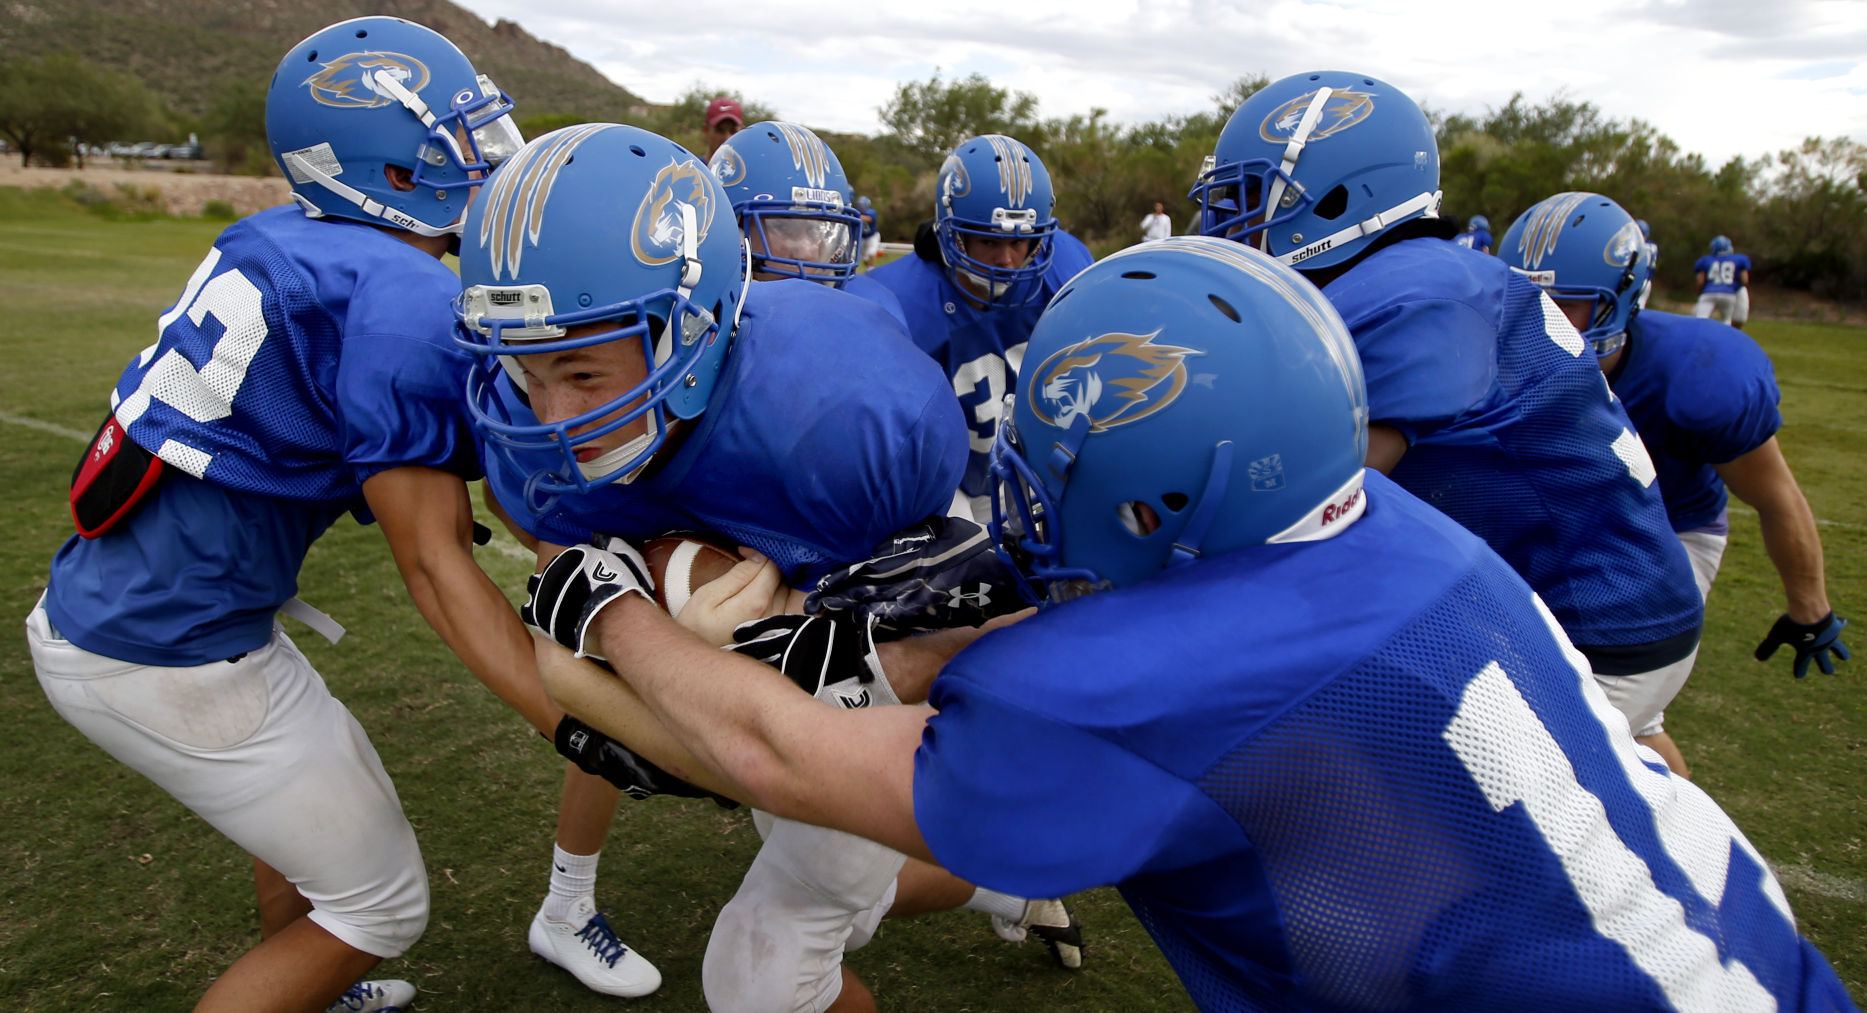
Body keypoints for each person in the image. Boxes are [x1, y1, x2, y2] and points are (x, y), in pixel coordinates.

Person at [519, 236, 1858, 1012]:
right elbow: (1216, 629)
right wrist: (896, 637)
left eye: (1057, 459)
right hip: (1741, 961)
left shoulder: (1128, 683)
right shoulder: (1420, 537)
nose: (1030, 493)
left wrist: (620, 618)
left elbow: (778, 759)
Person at [454, 122, 1079, 1013]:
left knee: (803, 918)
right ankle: (1005, 876)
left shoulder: (844, 420)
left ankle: (1006, 869)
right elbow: (563, 603)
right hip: (756, 652)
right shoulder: (526, 427)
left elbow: (906, 647)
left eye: (584, 374)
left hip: (858, 603)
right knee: (815, 853)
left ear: (692, 324)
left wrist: (731, 636)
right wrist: (678, 602)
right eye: (523, 370)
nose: (546, 415)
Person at [23, 17, 573, 1012]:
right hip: (162, 647)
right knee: (380, 905)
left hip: (139, 605)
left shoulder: (283, 233)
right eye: (457, 141)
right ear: (389, 175)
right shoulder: (400, 296)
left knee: (315, 833)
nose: (488, 156)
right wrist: (577, 728)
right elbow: (439, 566)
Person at [1191, 71, 1705, 776]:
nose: (1231, 224)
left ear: (1346, 195)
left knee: (1419, 808)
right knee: (1636, 753)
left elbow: (1312, 501)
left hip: (1588, 615)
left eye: (1255, 200)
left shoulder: (1406, 294)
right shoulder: (1432, 273)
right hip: (1624, 588)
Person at [1499, 192, 1848, 707]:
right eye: (1527, 301)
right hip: (1572, 522)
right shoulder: (1494, 354)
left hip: (1674, 526)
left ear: (1623, 296)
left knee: (1583, 706)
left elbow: (1776, 497)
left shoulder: (1698, 376)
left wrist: (1809, 608)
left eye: (1564, 303)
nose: (1540, 321)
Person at [868, 134, 1096, 522]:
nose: (1006, 259)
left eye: (1020, 240)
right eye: (988, 240)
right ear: (952, 232)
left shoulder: (1066, 269)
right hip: (945, 483)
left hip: (1042, 466)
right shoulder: (898, 301)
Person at [708, 120, 904, 325]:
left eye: (817, 230)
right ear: (729, 229)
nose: (808, 252)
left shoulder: (869, 314)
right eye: (784, 227)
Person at [1695, 234, 1752, 329]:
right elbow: (1745, 280)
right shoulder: (1740, 259)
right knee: (1726, 320)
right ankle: (1726, 341)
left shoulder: (1706, 260)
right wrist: (1735, 288)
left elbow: (1701, 281)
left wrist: (1699, 292)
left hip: (1709, 292)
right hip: (1729, 293)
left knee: (1700, 320)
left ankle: (1698, 339)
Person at [1636, 217, 1658, 308]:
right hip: (1647, 281)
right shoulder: (1653, 246)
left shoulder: (1635, 245)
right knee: (1640, 307)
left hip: (1636, 279)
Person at [855, 195, 882, 269]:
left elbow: (868, 219)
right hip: (862, 237)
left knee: (871, 253)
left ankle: (871, 271)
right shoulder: (856, 211)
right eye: (860, 205)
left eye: (863, 205)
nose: (861, 207)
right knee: (864, 258)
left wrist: (855, 216)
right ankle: (869, 269)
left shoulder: (872, 212)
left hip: (872, 236)